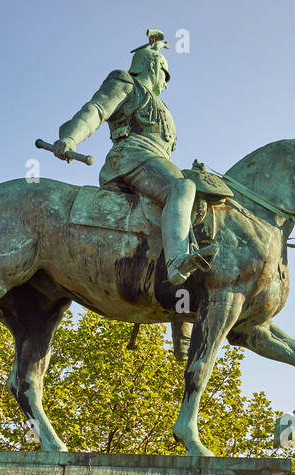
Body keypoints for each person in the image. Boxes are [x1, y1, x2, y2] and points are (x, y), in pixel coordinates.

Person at [53, 29, 215, 285]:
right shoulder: (126, 81)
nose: (167, 81)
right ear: (153, 66)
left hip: (152, 161)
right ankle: (176, 262)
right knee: (182, 186)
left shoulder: (161, 104)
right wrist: (71, 138)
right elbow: (96, 109)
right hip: (131, 155)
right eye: (166, 73)